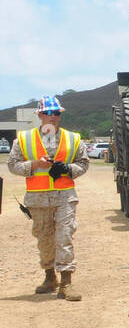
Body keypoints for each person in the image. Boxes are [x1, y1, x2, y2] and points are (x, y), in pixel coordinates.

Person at [7, 95, 90, 301]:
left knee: (64, 237)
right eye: (48, 113)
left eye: (56, 113)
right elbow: (12, 165)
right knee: (44, 239)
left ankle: (66, 283)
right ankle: (49, 276)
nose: (52, 117)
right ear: (40, 115)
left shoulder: (73, 138)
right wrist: (35, 165)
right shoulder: (24, 139)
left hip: (65, 197)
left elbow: (84, 164)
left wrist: (68, 169)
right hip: (38, 199)